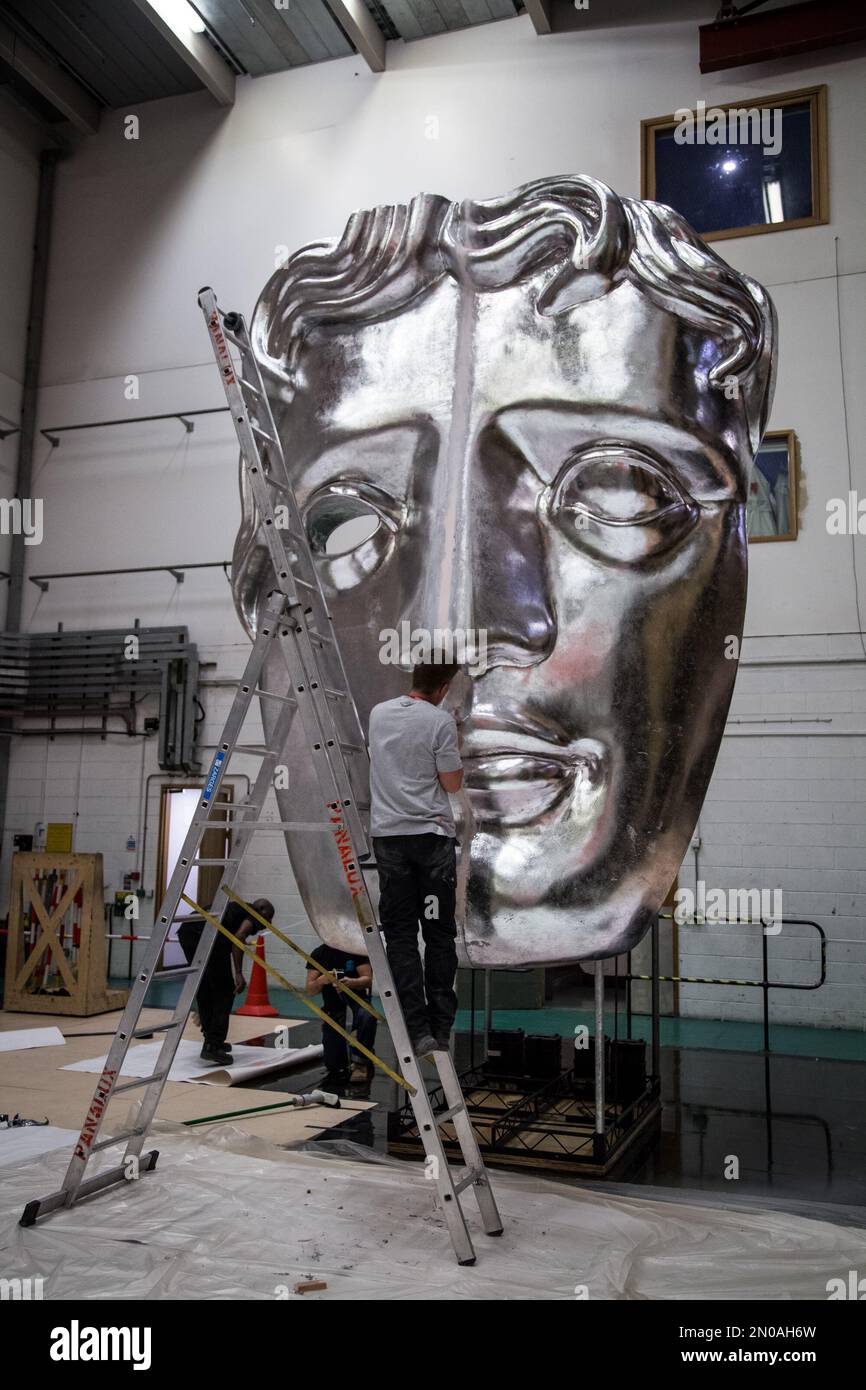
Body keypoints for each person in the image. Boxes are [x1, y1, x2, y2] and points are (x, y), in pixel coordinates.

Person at [368, 661, 463, 1057]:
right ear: (442, 688)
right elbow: (451, 784)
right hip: (430, 838)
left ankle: (416, 1028)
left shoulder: (378, 713)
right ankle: (440, 1029)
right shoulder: (440, 721)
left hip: (389, 838)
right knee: (439, 935)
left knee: (401, 936)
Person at [178, 896, 275, 1064]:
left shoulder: (235, 908)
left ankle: (211, 1039)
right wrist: (238, 972)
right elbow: (239, 937)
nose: (267, 922)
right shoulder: (252, 914)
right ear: (262, 911)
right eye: (269, 917)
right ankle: (213, 1045)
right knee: (225, 991)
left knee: (205, 986)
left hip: (188, 933)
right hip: (208, 938)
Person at [305, 946, 376, 1085]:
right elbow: (310, 990)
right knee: (334, 1065)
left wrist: (352, 983)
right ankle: (347, 1056)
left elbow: (368, 979)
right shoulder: (319, 953)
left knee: (367, 1016)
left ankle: (361, 1063)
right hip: (333, 1008)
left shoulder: (355, 950)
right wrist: (322, 980)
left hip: (357, 1003)